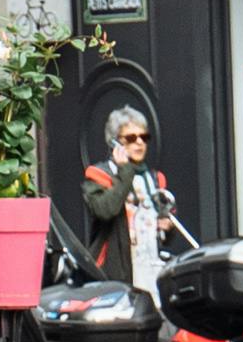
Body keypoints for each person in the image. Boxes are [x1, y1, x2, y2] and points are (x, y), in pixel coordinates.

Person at [80, 107, 187, 286]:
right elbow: (105, 210)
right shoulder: (99, 175)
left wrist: (167, 227)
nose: (139, 143)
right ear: (115, 142)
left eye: (144, 137)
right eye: (131, 138)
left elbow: (167, 234)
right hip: (114, 273)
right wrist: (125, 173)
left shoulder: (155, 179)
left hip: (149, 266)